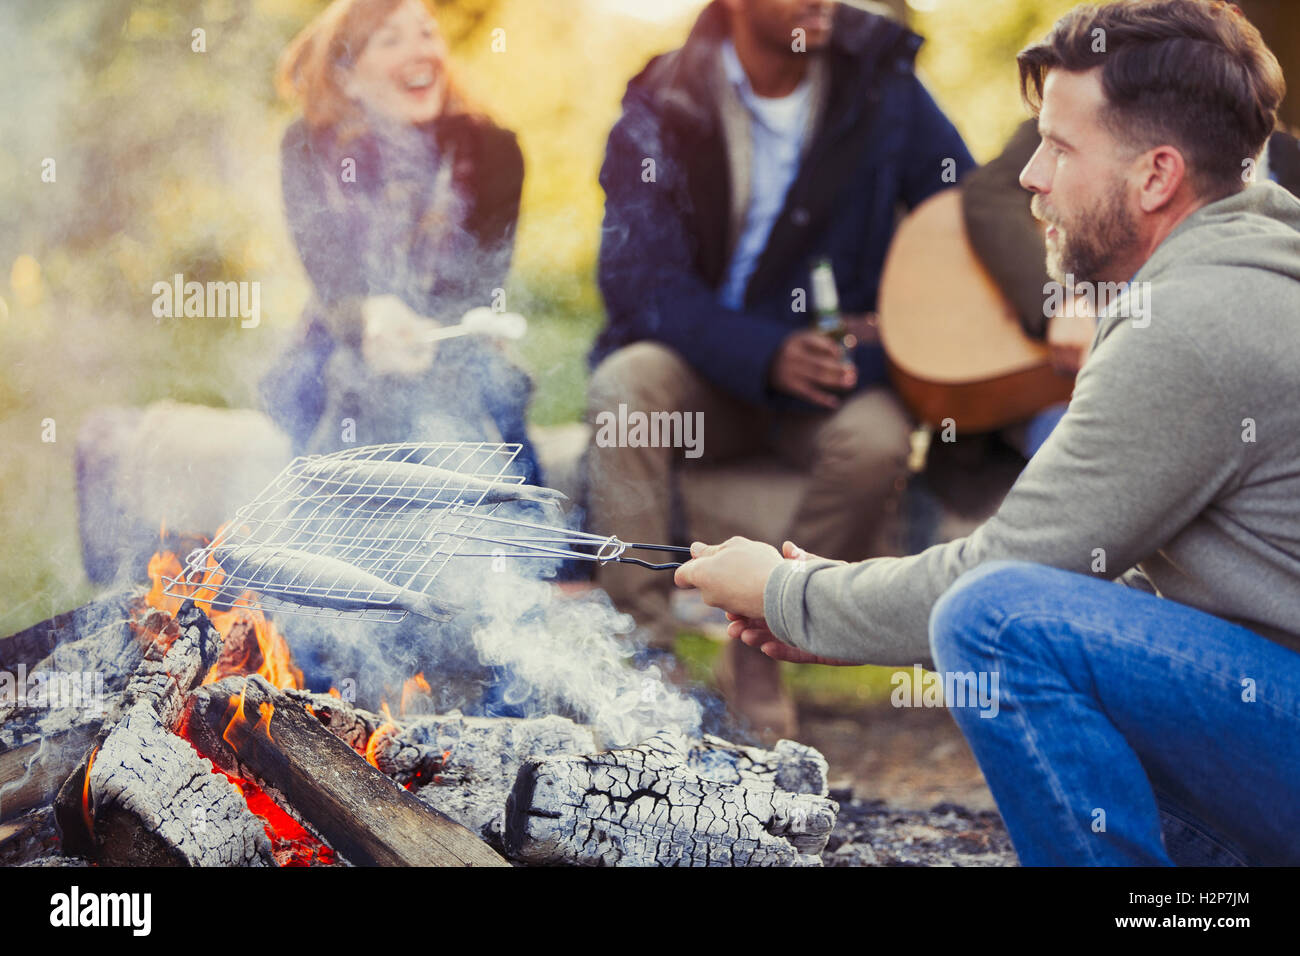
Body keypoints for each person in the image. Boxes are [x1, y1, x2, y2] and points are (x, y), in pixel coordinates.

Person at [675, 0, 1300, 865]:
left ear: (1157, 176)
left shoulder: (1194, 317)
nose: (1031, 175)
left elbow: (1008, 576)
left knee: (999, 621)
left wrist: (793, 596)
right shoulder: (1244, 266)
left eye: (1062, 147)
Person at [586, 0, 974, 739]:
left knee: (877, 439)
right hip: (704, 368)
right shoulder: (662, 101)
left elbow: (964, 213)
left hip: (834, 379)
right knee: (626, 387)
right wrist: (762, 354)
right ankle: (642, 658)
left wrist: (897, 323)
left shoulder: (881, 82)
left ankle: (759, 644)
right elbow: (638, 280)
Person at [264, 0, 540, 483]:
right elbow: (330, 276)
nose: (420, 50)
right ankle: (310, 530)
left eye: (427, 32)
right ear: (348, 76)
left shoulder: (497, 151)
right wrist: (371, 320)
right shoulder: (306, 147)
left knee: (490, 393)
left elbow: (481, 284)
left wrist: (424, 339)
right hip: (342, 332)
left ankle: (533, 539)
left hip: (454, 337)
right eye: (390, 39)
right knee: (329, 388)